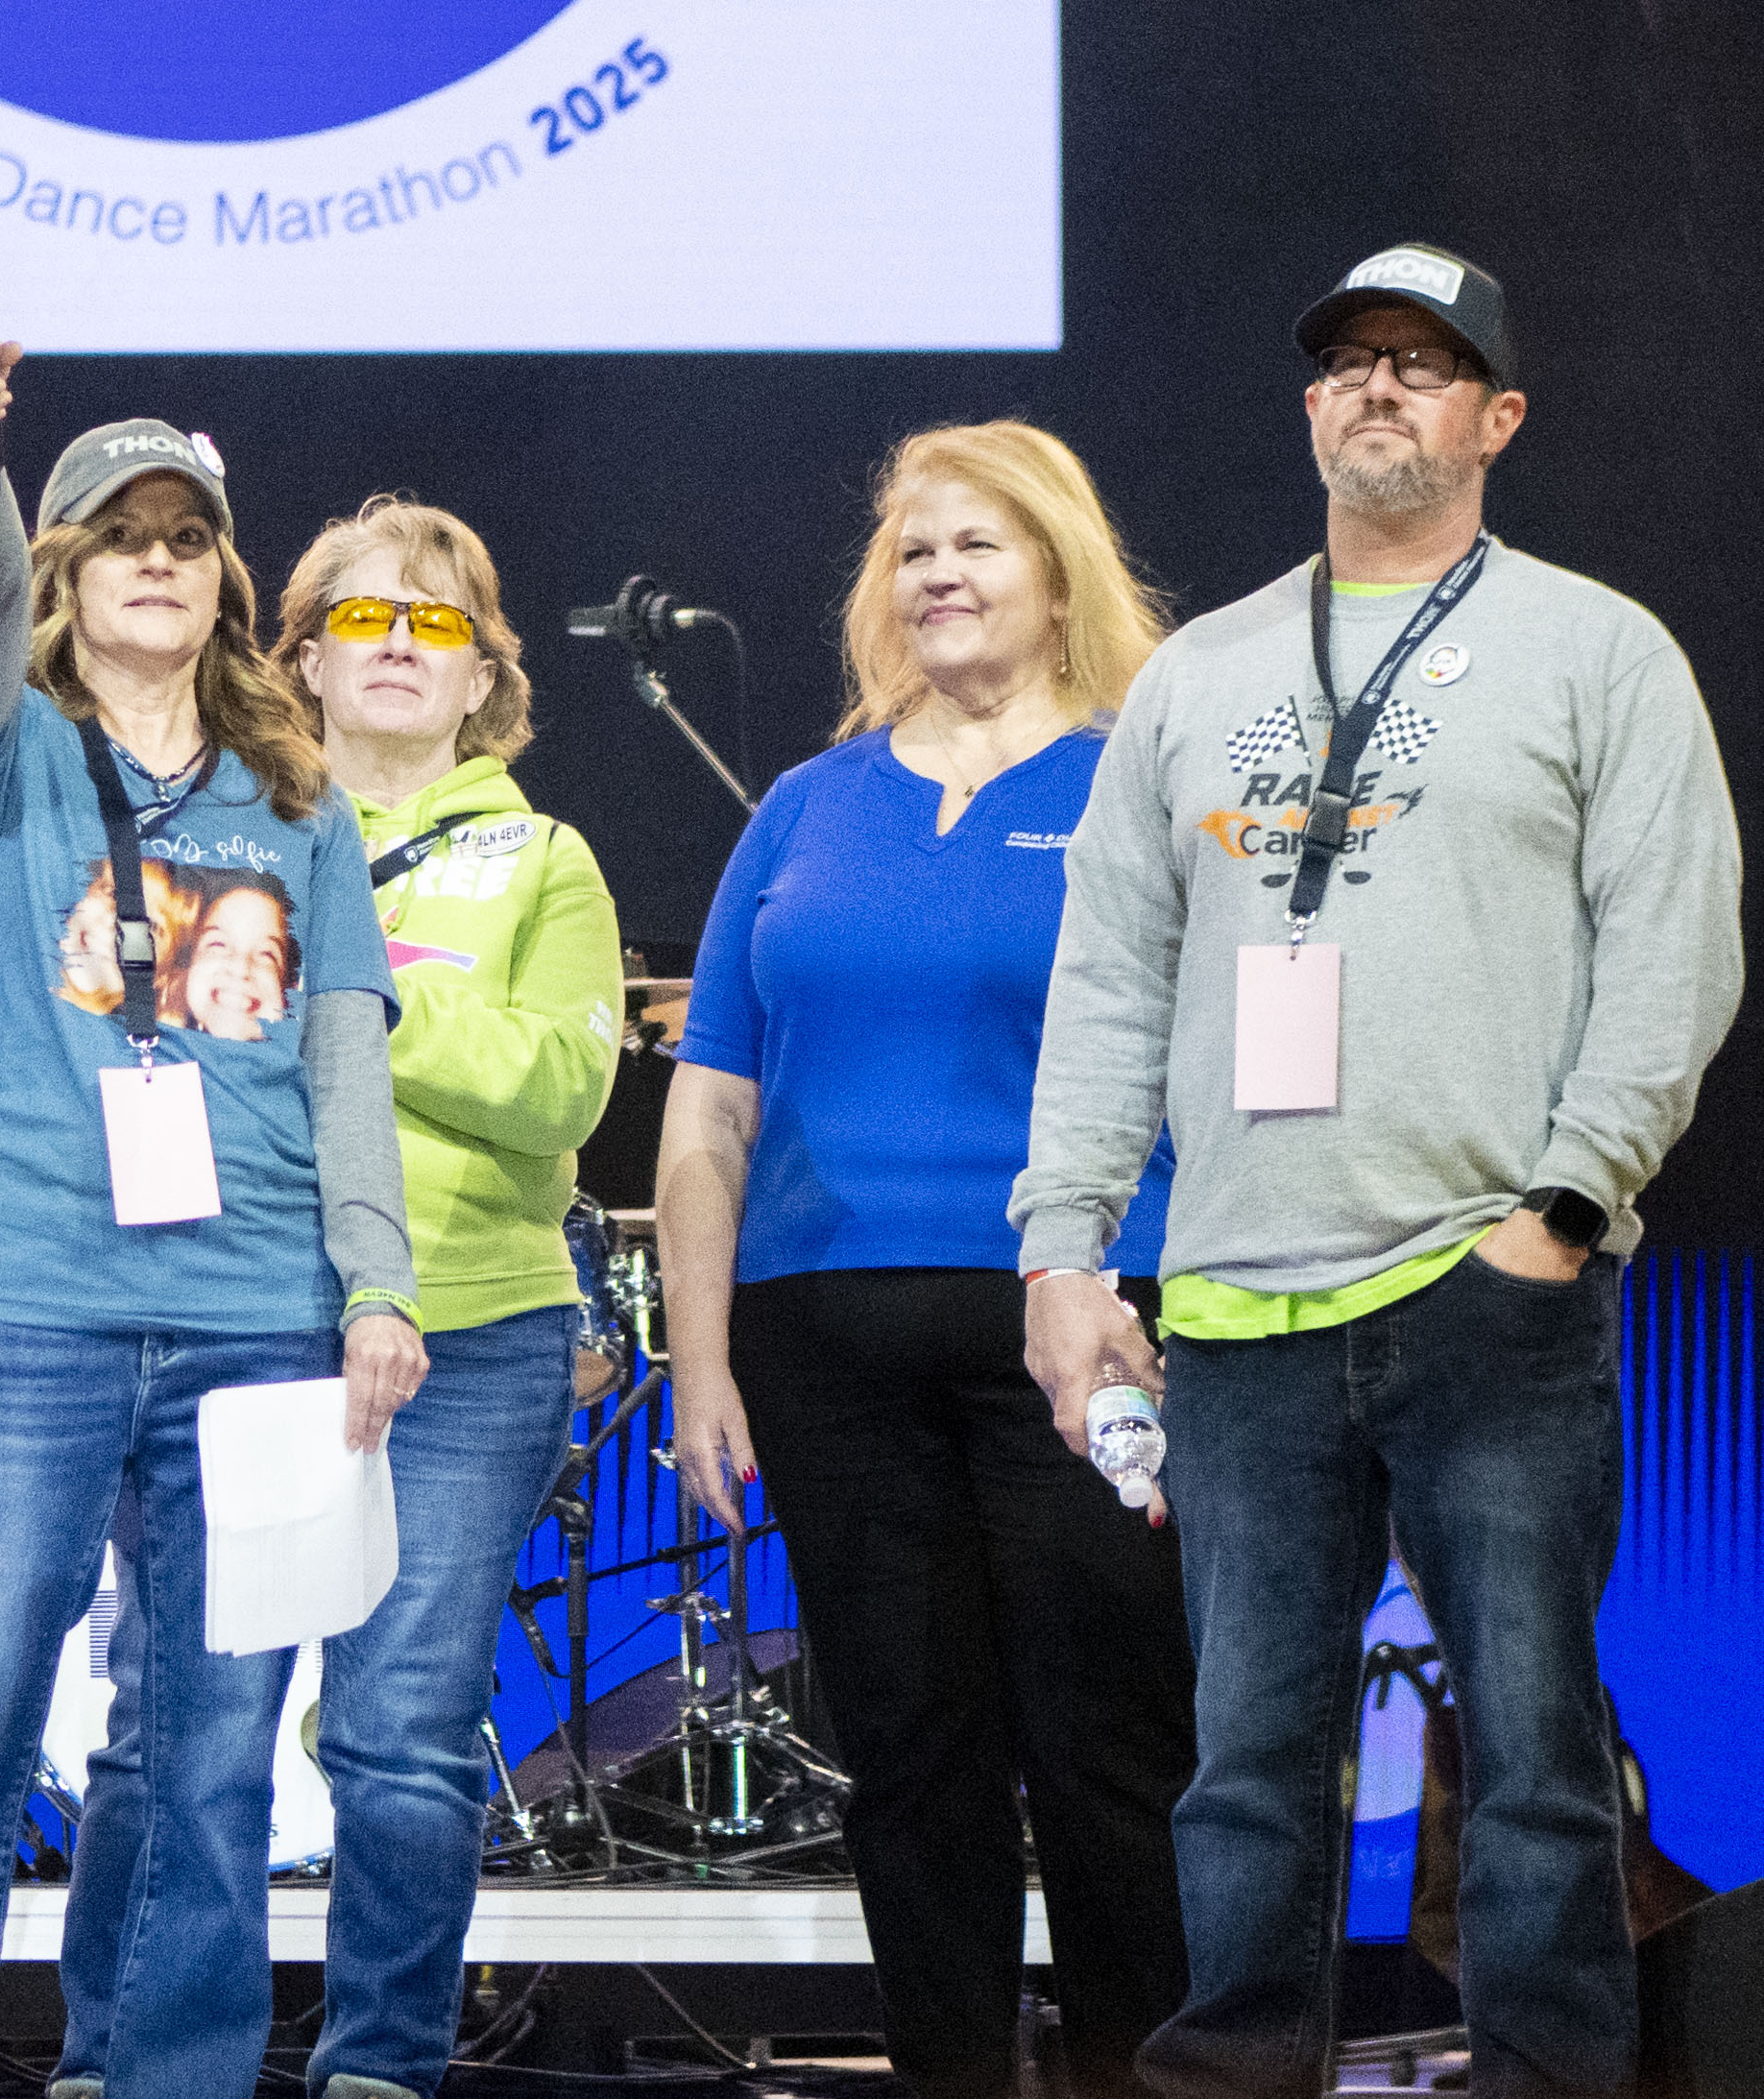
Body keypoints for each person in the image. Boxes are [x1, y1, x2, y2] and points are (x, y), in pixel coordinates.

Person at [1014, 246, 1741, 2098]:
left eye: (1423, 366)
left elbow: (1676, 947)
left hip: (1482, 1286)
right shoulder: (1199, 672)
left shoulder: (1596, 648)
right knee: (1244, 1761)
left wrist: (1564, 1210)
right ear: (1308, 408)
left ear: (1495, 417)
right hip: (1240, 1296)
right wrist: (1063, 1253)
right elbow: (1106, 978)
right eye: (1345, 362)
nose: (1376, 390)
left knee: (1533, 1755)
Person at [0, 335, 425, 2099]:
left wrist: (375, 1284)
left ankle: (168, 2075)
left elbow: (342, 1066)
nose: (155, 555)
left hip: (258, 1317)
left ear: (224, 573)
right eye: (117, 534)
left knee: (215, 1754)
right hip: (30, 1307)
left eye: (186, 532)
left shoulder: (300, 791)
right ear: (68, 571)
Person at [51, 497, 626, 2099]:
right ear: (292, 660)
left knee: (398, 1735)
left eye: (431, 624)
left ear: (480, 676)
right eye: (358, 619)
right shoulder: (222, 836)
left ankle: (377, 2063)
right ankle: (121, 2054)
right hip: (229, 1321)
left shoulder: (543, 858)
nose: (392, 645)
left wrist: (356, 1001)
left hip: (470, 1335)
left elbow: (561, 1090)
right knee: (174, 1719)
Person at [658, 422, 1196, 2099]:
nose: (941, 574)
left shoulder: (1140, 778)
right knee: (906, 1757)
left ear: (1055, 575)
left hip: (1082, 1322)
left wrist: (1128, 1280)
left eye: (978, 542)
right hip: (822, 1344)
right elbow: (707, 1110)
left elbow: (1206, 1064)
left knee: (1107, 1751)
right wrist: (698, 1360)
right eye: (913, 550)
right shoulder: (810, 805)